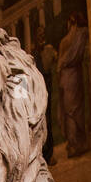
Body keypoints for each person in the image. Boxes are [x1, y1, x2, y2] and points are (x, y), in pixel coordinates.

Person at [57, 12, 89, 157]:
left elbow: (59, 65)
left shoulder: (64, 41)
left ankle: (74, 144)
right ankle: (77, 143)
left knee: (70, 111)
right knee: (75, 110)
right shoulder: (81, 35)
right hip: (73, 75)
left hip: (65, 76)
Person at [33, 25, 57, 162]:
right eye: (39, 34)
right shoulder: (33, 54)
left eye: (43, 34)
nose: (41, 37)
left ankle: (49, 152)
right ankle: (43, 152)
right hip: (37, 93)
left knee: (48, 119)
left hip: (47, 87)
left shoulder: (48, 49)